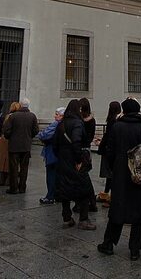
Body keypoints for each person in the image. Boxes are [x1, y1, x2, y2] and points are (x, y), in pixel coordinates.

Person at [97, 98, 141, 260]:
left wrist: (114, 167)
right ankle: (134, 249)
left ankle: (108, 244)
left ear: (124, 110)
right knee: (139, 210)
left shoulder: (117, 127)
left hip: (120, 173)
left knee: (117, 207)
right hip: (140, 174)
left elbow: (109, 152)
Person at [56, 99, 96, 230]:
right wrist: (79, 160)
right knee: (83, 189)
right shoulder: (78, 123)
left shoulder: (61, 123)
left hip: (63, 160)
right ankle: (83, 220)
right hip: (74, 160)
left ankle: (67, 218)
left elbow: (54, 144)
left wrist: (61, 157)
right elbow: (76, 142)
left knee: (64, 190)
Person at [2, 98, 39, 194]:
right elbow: (36, 130)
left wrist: (10, 137)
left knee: (13, 168)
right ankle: (22, 187)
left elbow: (6, 131)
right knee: (24, 168)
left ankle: (13, 188)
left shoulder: (13, 116)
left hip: (14, 145)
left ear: (21, 105)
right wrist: (29, 136)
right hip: (26, 145)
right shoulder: (32, 116)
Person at [96, 101, 122, 207]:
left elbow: (108, 136)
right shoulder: (119, 120)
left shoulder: (112, 120)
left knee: (110, 174)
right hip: (116, 150)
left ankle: (110, 196)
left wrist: (101, 145)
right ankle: (107, 193)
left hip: (109, 151)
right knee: (112, 174)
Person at [37, 106, 65, 204]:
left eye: (57, 114)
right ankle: (58, 194)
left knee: (51, 175)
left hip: (52, 152)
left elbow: (43, 134)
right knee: (58, 175)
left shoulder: (56, 124)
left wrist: (41, 135)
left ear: (62, 116)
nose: (55, 116)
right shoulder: (65, 124)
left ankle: (50, 196)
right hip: (61, 153)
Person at [79, 97, 98, 212]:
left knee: (83, 178)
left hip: (81, 150)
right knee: (83, 177)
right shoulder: (92, 120)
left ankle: (90, 202)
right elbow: (91, 136)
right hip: (87, 149)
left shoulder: (80, 120)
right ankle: (89, 201)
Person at [0, 102, 20, 185]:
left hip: (4, 140)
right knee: (11, 161)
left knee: (3, 161)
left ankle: (2, 180)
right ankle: (9, 180)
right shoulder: (16, 117)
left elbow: (4, 128)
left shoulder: (7, 116)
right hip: (11, 141)